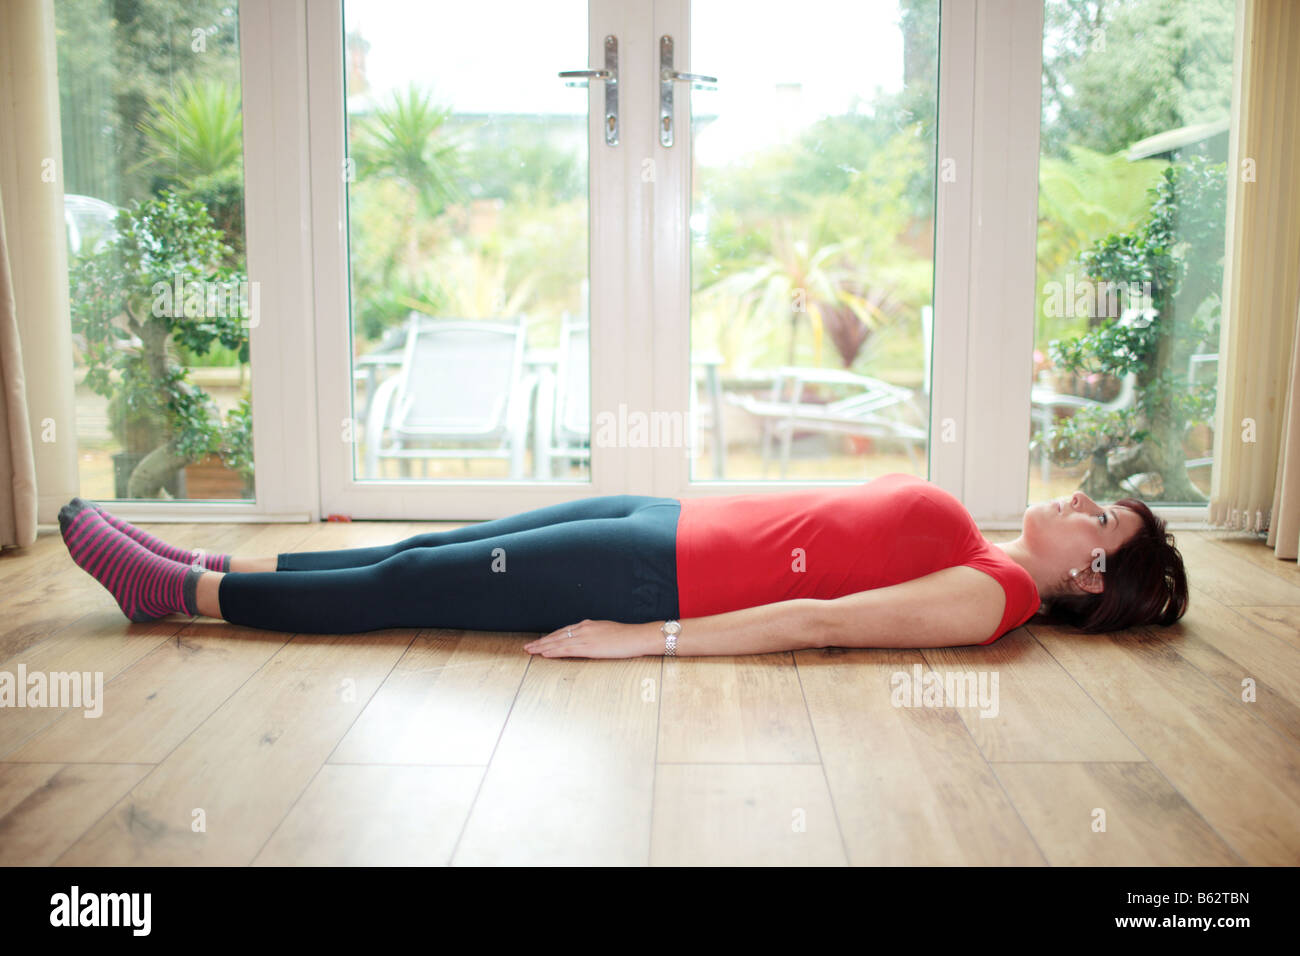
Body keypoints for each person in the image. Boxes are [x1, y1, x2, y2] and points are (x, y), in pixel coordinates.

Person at [56, 472, 1188, 659]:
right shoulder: (989, 546)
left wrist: (639, 641)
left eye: (1104, 518)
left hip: (655, 582)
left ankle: (180, 593)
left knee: (411, 589)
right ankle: (217, 558)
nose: (1080, 499)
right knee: (429, 547)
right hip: (663, 520)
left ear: (1089, 575)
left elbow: (817, 623)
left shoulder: (990, 596)